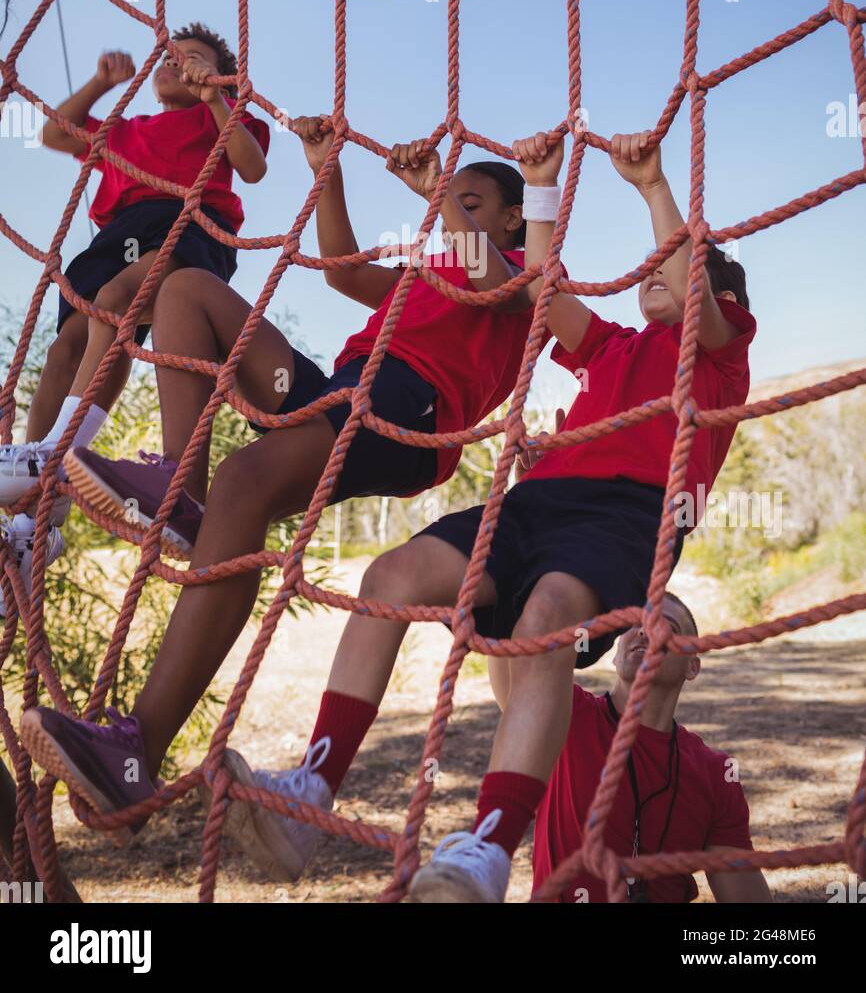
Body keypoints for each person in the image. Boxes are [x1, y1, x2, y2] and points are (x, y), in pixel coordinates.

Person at [96, 125, 754, 903]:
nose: (653, 273)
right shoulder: (609, 344)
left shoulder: (719, 355)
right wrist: (539, 184)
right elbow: (540, 280)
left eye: (679, 272)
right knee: (392, 573)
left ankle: (487, 845)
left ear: (724, 298)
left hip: (626, 515)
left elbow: (526, 278)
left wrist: (649, 189)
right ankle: (314, 788)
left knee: (546, 618)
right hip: (528, 497)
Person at [21, 121, 548, 832]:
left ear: (512, 218)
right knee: (184, 290)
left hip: (407, 410)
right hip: (345, 389)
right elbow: (339, 271)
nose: (451, 213)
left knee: (248, 481)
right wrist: (323, 168)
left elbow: (497, 284)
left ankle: (138, 746)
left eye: (472, 202)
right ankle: (182, 487)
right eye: (450, 204)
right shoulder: (423, 277)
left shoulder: (525, 277)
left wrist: (435, 196)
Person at [0, 26, 269, 615]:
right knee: (67, 344)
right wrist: (101, 82)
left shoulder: (219, 117)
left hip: (185, 221)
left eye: (193, 60)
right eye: (171, 59)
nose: (180, 66)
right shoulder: (125, 131)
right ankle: (36, 519)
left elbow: (253, 169)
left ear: (218, 76)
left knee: (121, 298)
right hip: (116, 235)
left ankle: (58, 451)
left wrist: (216, 97)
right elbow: (52, 133)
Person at [498, 591, 772, 903]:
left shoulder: (715, 774)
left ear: (692, 667)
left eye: (666, 625)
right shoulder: (567, 714)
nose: (644, 630)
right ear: (614, 656)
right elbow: (510, 662)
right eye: (632, 623)